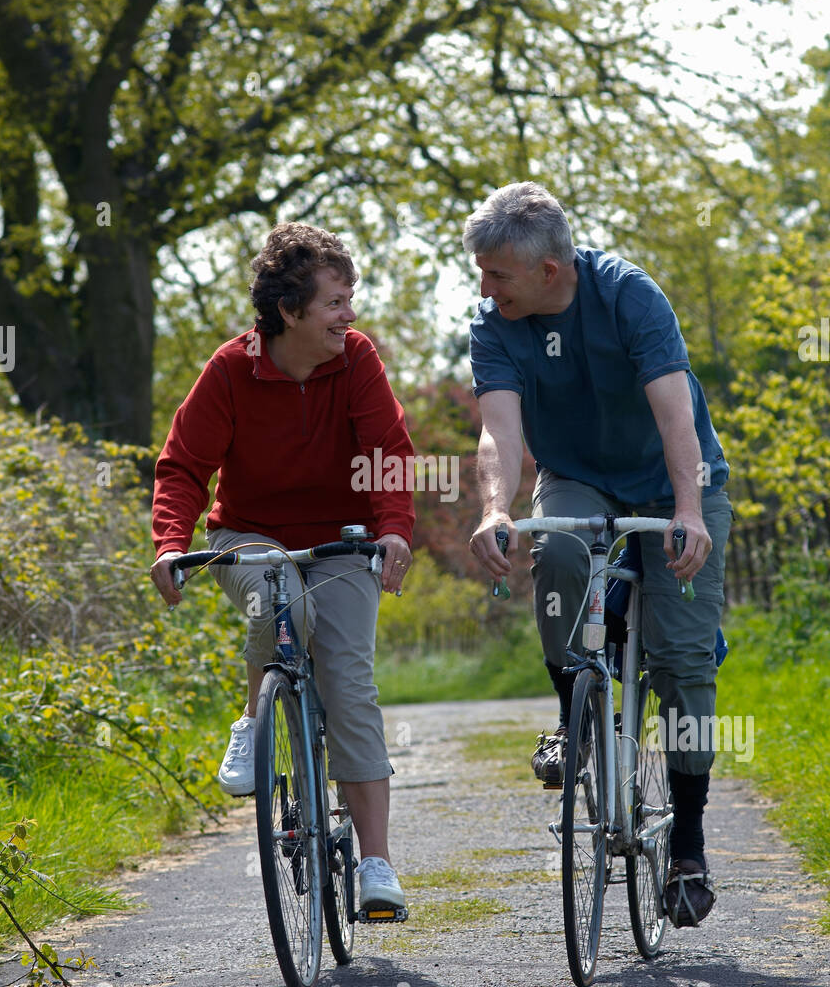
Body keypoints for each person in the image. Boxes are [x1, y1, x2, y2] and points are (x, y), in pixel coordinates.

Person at [465, 182, 732, 928]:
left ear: (549, 270)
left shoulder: (628, 297)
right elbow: (499, 430)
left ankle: (687, 840)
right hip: (576, 478)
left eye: (497, 275)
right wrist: (495, 510)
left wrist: (686, 509)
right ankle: (571, 714)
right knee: (555, 555)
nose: (485, 289)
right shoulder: (494, 323)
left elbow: (673, 410)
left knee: (683, 665)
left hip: (672, 480)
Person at [149, 222, 415, 913]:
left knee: (349, 682)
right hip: (249, 535)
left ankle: (376, 865)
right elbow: (182, 467)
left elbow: (387, 448)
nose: (348, 315)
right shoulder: (231, 371)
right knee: (277, 596)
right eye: (334, 302)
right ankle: (252, 720)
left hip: (342, 542)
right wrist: (170, 543)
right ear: (290, 311)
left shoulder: (356, 360)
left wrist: (391, 533)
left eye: (348, 299)